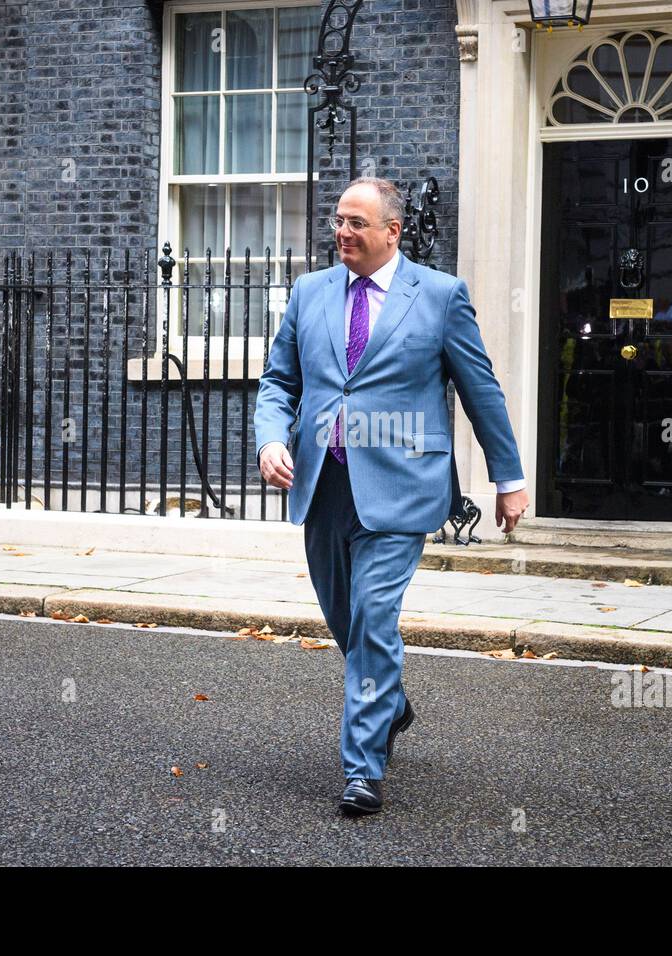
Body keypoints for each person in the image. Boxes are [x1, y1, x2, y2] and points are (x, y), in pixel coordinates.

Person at [254, 176, 528, 816]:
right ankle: (391, 703)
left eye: (355, 223)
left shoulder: (438, 296)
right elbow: (278, 380)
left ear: (392, 231)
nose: (342, 233)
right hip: (324, 486)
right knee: (345, 618)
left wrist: (507, 479)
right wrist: (271, 441)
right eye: (338, 222)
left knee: (374, 617)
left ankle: (362, 768)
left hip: (402, 486)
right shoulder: (309, 292)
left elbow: (479, 390)